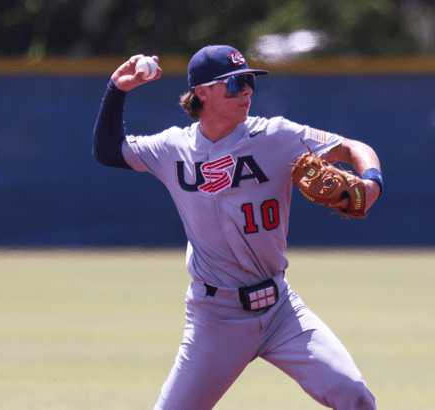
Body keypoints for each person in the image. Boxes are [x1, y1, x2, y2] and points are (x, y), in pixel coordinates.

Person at [92, 45, 383, 410]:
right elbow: (107, 150)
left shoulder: (277, 136)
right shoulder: (172, 148)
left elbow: (353, 148)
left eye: (249, 82)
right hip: (216, 318)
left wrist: (371, 183)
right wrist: (117, 89)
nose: (246, 90)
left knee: (353, 394)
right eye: (234, 83)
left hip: (281, 311)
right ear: (202, 92)